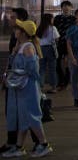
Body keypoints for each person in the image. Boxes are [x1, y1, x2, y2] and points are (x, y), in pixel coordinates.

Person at [4, 20, 53, 158]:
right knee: (25, 117)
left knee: (32, 116)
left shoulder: (27, 47)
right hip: (23, 87)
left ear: (24, 33)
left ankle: (44, 144)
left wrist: (19, 75)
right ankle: (19, 147)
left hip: (28, 87)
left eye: (17, 29)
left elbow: (33, 69)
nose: (15, 31)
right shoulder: (22, 46)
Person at [52, 1, 75, 90]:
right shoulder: (57, 18)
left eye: (68, 6)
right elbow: (53, 30)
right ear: (61, 8)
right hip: (59, 43)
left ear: (71, 7)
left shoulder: (73, 19)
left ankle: (65, 82)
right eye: (64, 6)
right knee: (57, 63)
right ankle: (61, 81)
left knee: (67, 64)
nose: (66, 8)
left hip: (70, 44)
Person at [35, 15, 58, 94]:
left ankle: (40, 87)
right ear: (49, 20)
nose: (53, 20)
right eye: (52, 19)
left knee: (42, 69)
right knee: (52, 69)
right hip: (50, 49)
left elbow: (36, 39)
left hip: (41, 49)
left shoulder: (39, 29)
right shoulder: (53, 28)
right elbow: (57, 38)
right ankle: (53, 87)